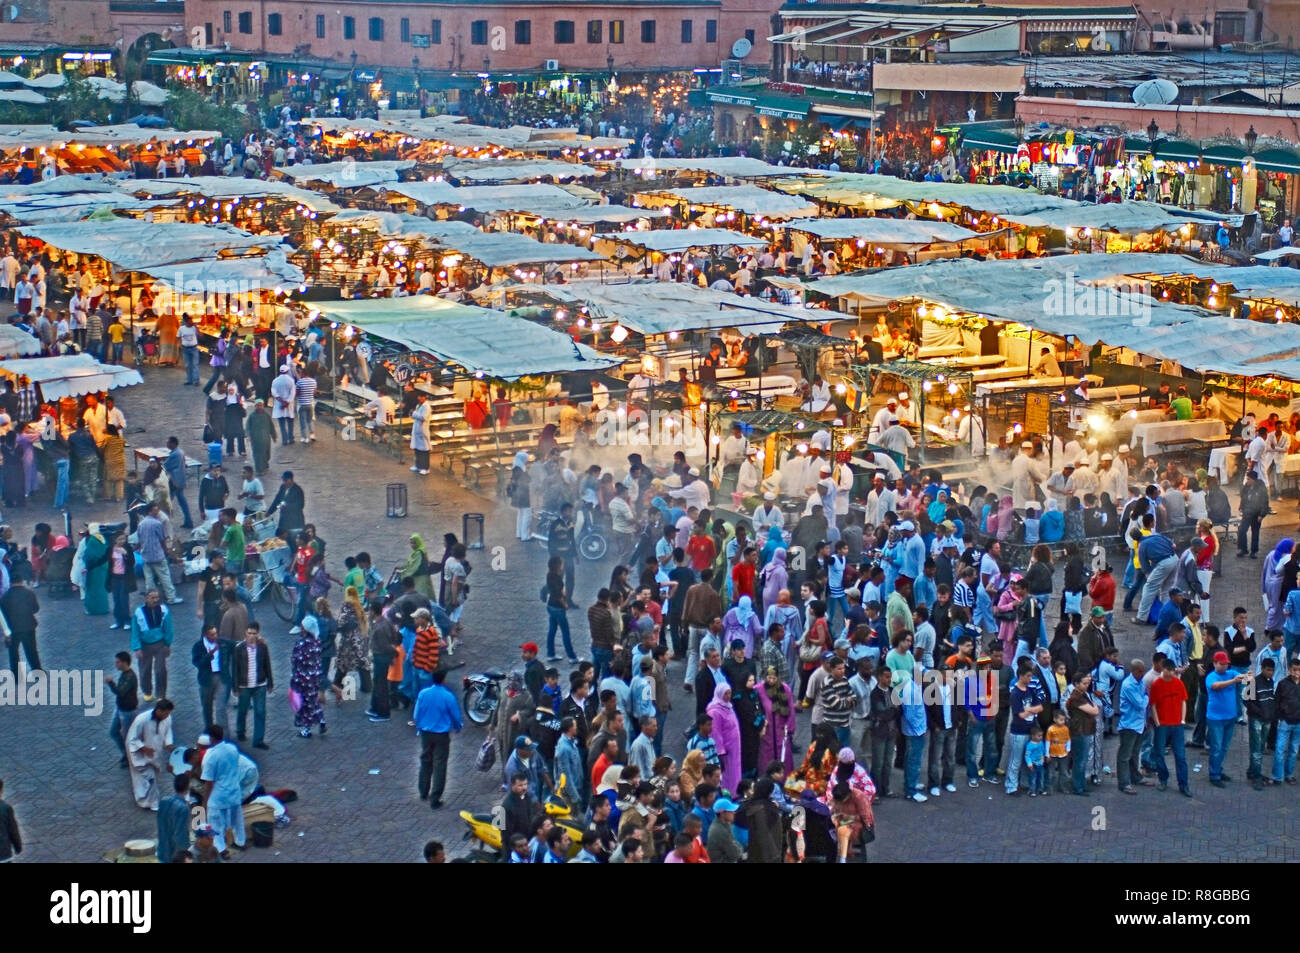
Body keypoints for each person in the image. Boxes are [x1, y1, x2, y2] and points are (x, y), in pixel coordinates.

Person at [415, 669, 463, 809]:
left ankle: (423, 791)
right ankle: (435, 797)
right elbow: (455, 715)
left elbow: (417, 714)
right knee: (440, 764)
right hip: (441, 734)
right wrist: (457, 727)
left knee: (425, 760)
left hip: (426, 732)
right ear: (444, 679)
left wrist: (420, 726)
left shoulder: (423, 694)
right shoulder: (448, 696)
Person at [1204, 650, 1247, 787]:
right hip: (1215, 718)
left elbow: (1245, 680)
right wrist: (1233, 681)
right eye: (1221, 664)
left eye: (1226, 664)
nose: (1224, 667)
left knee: (1224, 747)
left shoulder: (1231, 673)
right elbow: (1216, 686)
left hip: (1230, 716)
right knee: (1216, 747)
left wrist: (1248, 677)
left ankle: (1218, 769)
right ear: (1215, 663)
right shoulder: (1211, 676)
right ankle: (1214, 775)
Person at [1150, 659, 1192, 796]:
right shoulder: (1156, 684)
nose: (1171, 674)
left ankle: (1183, 784)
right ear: (1164, 670)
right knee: (1159, 754)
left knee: (1180, 756)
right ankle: (1163, 778)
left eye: (1172, 672)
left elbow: (1183, 701)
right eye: (1169, 672)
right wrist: (1157, 722)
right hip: (1163, 725)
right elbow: (1153, 705)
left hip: (1176, 724)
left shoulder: (1178, 683)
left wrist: (1182, 719)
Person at [126, 699, 174, 810]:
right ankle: (152, 802)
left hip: (154, 753)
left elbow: (168, 732)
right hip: (139, 754)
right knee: (148, 777)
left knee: (153, 777)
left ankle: (150, 800)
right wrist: (143, 748)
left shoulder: (167, 719)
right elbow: (132, 738)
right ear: (159, 711)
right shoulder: (142, 720)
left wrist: (169, 744)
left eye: (169, 713)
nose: (167, 716)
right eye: (165, 713)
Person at [233, 621, 273, 750]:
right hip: (244, 686)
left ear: (258, 634)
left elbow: (267, 664)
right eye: (249, 633)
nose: (251, 636)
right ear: (246, 633)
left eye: (254, 633)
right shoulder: (238, 648)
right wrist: (235, 686)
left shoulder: (262, 647)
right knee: (242, 710)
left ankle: (258, 740)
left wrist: (270, 682)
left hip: (259, 684)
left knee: (260, 712)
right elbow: (235, 669)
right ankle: (240, 731)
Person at [130, 589, 174, 701]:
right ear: (146, 598)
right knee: (144, 670)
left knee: (161, 670)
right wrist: (137, 647)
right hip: (145, 645)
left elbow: (168, 628)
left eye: (157, 597)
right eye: (152, 598)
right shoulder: (138, 612)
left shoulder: (164, 610)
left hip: (160, 644)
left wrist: (167, 644)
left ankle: (161, 694)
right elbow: (135, 631)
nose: (155, 600)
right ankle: (147, 691)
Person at [1, 569, 39, 675]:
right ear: (21, 581)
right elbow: (35, 609)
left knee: (13, 653)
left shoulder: (5, 596)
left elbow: (3, 615)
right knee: (31, 651)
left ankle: (16, 676)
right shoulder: (29, 593)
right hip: (29, 626)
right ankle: (37, 672)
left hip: (12, 628)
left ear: (10, 582)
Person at [104, 651, 139, 767]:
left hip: (128, 711)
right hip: (120, 708)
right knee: (113, 732)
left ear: (124, 663)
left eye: (118, 662)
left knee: (128, 736)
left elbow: (120, 692)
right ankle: (126, 754)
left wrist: (110, 683)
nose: (116, 664)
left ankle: (130, 757)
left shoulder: (130, 677)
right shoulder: (125, 674)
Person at [156, 773, 191, 863]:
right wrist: (186, 853)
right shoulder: (183, 808)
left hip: (162, 849)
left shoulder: (164, 801)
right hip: (174, 855)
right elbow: (181, 835)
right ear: (188, 788)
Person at [0, 779, 19, 863]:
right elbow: (13, 830)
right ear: (1, 790)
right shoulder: (6, 808)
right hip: (3, 853)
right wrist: (18, 847)